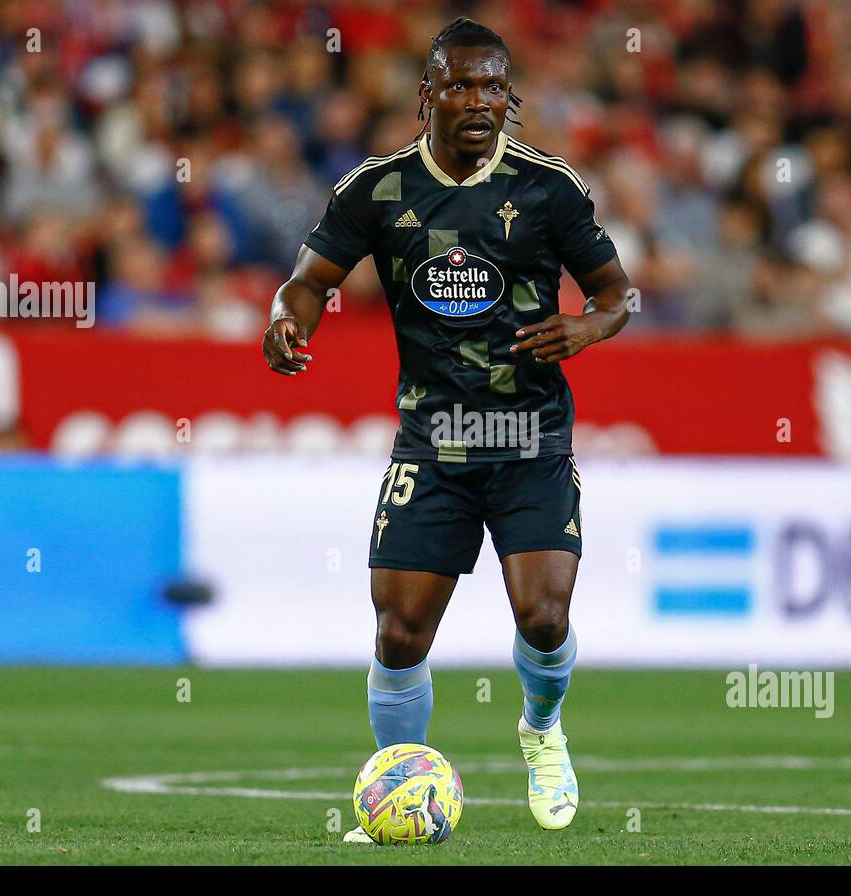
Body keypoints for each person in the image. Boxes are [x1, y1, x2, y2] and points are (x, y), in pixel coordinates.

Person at [261, 17, 630, 840]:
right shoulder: (376, 189)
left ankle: (541, 729)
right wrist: (288, 321)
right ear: (427, 93)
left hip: (530, 435)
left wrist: (586, 329)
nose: (478, 101)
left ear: (510, 99)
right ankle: (398, 789)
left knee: (543, 615)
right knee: (398, 628)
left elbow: (617, 295)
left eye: (494, 87)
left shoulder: (548, 189)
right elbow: (307, 281)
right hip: (434, 439)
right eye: (461, 85)